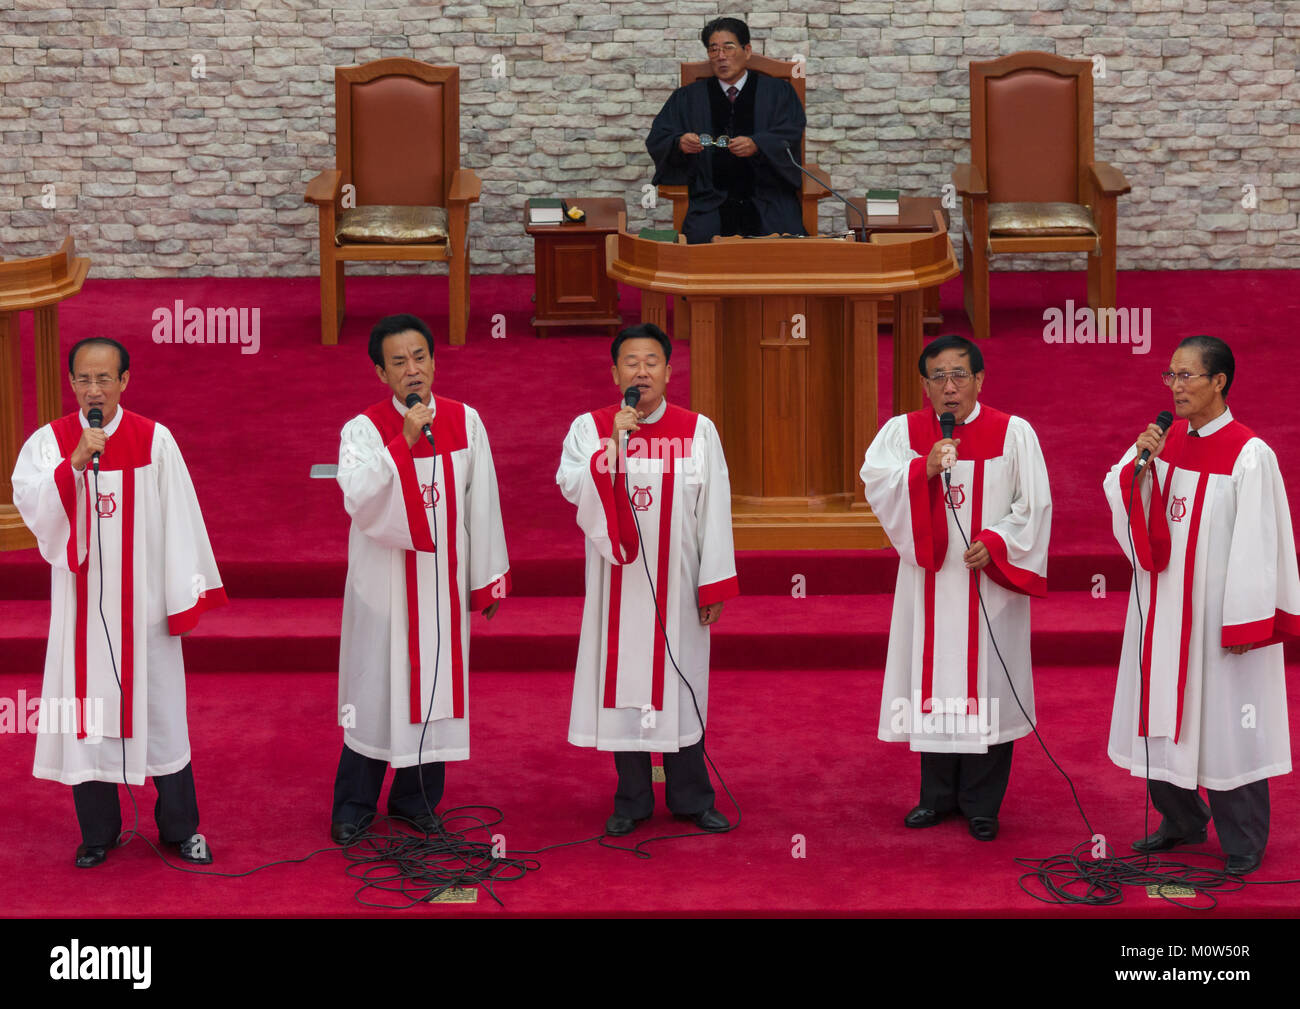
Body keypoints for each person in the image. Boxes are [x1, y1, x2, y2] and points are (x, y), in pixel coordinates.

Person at [12, 337, 227, 868]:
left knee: (162, 719)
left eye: (104, 379)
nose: (94, 390)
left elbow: (181, 521)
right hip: (82, 616)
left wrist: (183, 599)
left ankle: (181, 829)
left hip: (146, 612)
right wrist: (73, 465)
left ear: (125, 381)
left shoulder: (156, 442)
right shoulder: (50, 442)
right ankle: (98, 834)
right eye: (84, 379)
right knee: (88, 721)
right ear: (71, 383)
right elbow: (33, 506)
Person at [1103, 335, 1298, 875]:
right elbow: (1121, 494)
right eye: (1170, 375)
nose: (1175, 386)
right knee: (1161, 714)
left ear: (1220, 382)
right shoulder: (1161, 440)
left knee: (1228, 725)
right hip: (1164, 612)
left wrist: (1245, 623)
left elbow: (1262, 545)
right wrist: (1138, 471)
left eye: (1187, 376)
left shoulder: (1250, 455)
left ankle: (1243, 840)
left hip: (1218, 621)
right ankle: (1181, 819)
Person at [861, 335, 1052, 841]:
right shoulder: (903, 432)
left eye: (959, 375)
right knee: (935, 684)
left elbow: (1034, 506)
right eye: (938, 377)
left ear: (980, 379)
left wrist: (997, 541)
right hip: (930, 581)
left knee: (987, 683)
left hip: (988, 584)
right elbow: (875, 482)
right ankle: (937, 796)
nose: (950, 388)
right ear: (924, 385)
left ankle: (983, 804)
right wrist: (920, 468)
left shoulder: (1015, 433)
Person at [331, 314, 510, 843]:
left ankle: (416, 800)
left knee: (436, 688)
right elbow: (358, 499)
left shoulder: (466, 421)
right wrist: (400, 446)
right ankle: (354, 805)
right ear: (380, 373)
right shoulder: (363, 430)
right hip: (384, 591)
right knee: (375, 693)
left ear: (433, 361)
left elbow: (483, 504)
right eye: (399, 363)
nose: (412, 371)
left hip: (442, 587)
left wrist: (487, 579)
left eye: (420, 358)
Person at [557, 323, 738, 835]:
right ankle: (631, 800)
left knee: (682, 687)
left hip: (678, 588)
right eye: (631, 362)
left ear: (668, 371)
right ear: (615, 372)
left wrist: (714, 583)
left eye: (652, 361)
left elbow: (715, 511)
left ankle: (692, 796)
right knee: (623, 689)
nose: (642, 371)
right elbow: (571, 485)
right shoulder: (591, 429)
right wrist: (611, 447)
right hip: (619, 587)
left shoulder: (697, 430)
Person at [646, 16, 806, 244]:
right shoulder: (688, 98)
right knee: (698, 254)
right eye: (713, 49)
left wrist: (758, 144)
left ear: (747, 50)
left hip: (768, 197)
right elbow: (659, 136)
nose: (720, 56)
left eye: (728, 47)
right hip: (710, 199)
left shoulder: (779, 92)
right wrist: (679, 143)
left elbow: (790, 133)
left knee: (788, 252)